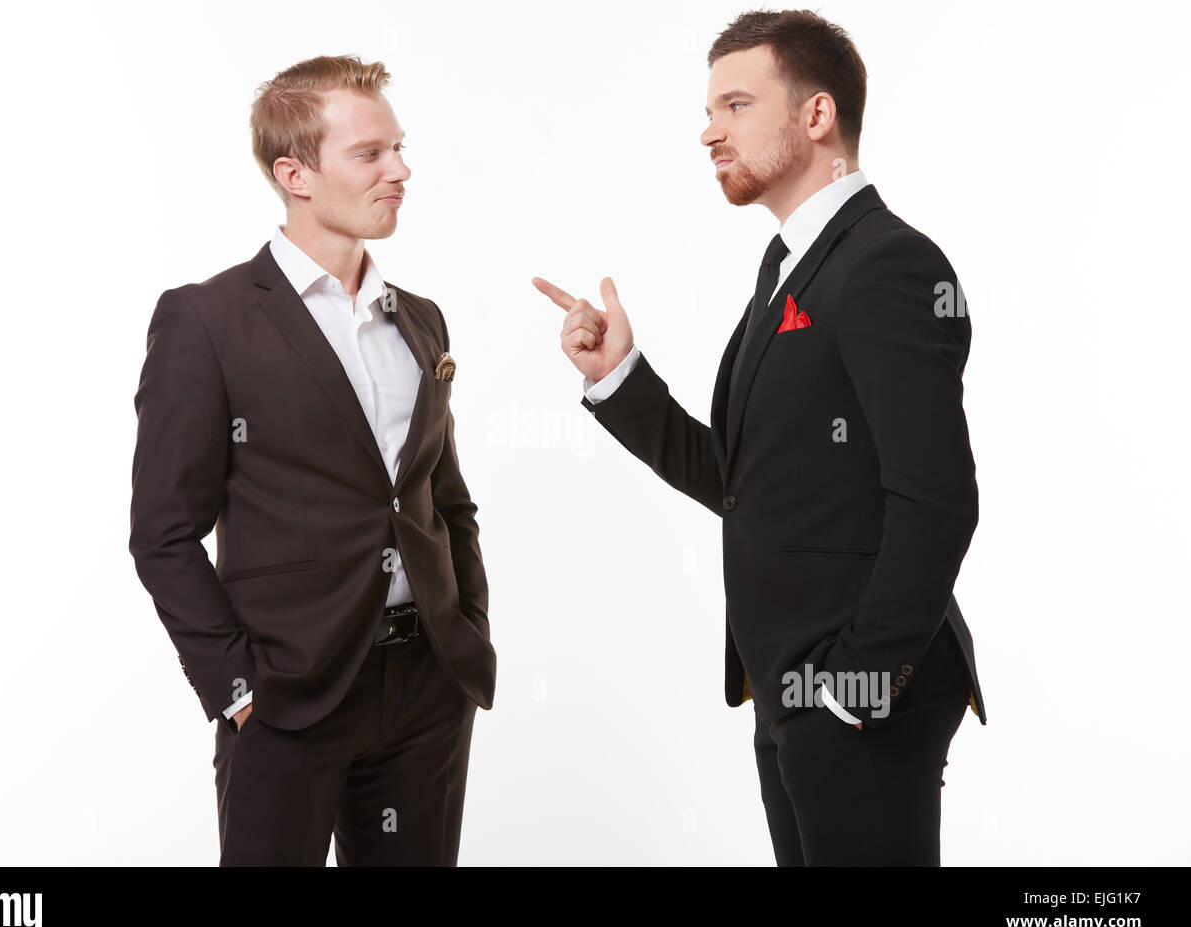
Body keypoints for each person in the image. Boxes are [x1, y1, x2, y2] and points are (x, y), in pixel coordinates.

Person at [534, 8, 986, 865]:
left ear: (816, 116)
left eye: (735, 106)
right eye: (710, 112)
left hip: (858, 695)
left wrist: (855, 688)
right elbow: (748, 480)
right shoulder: (788, 266)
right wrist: (618, 378)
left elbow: (939, 498)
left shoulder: (887, 264)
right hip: (789, 688)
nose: (709, 132)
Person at [129, 54, 493, 866]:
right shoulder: (207, 320)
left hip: (427, 688)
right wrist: (236, 688)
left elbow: (443, 496)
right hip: (287, 697)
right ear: (293, 173)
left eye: (399, 149)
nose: (400, 170)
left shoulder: (420, 321)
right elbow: (161, 532)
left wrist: (467, 627)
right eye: (370, 154)